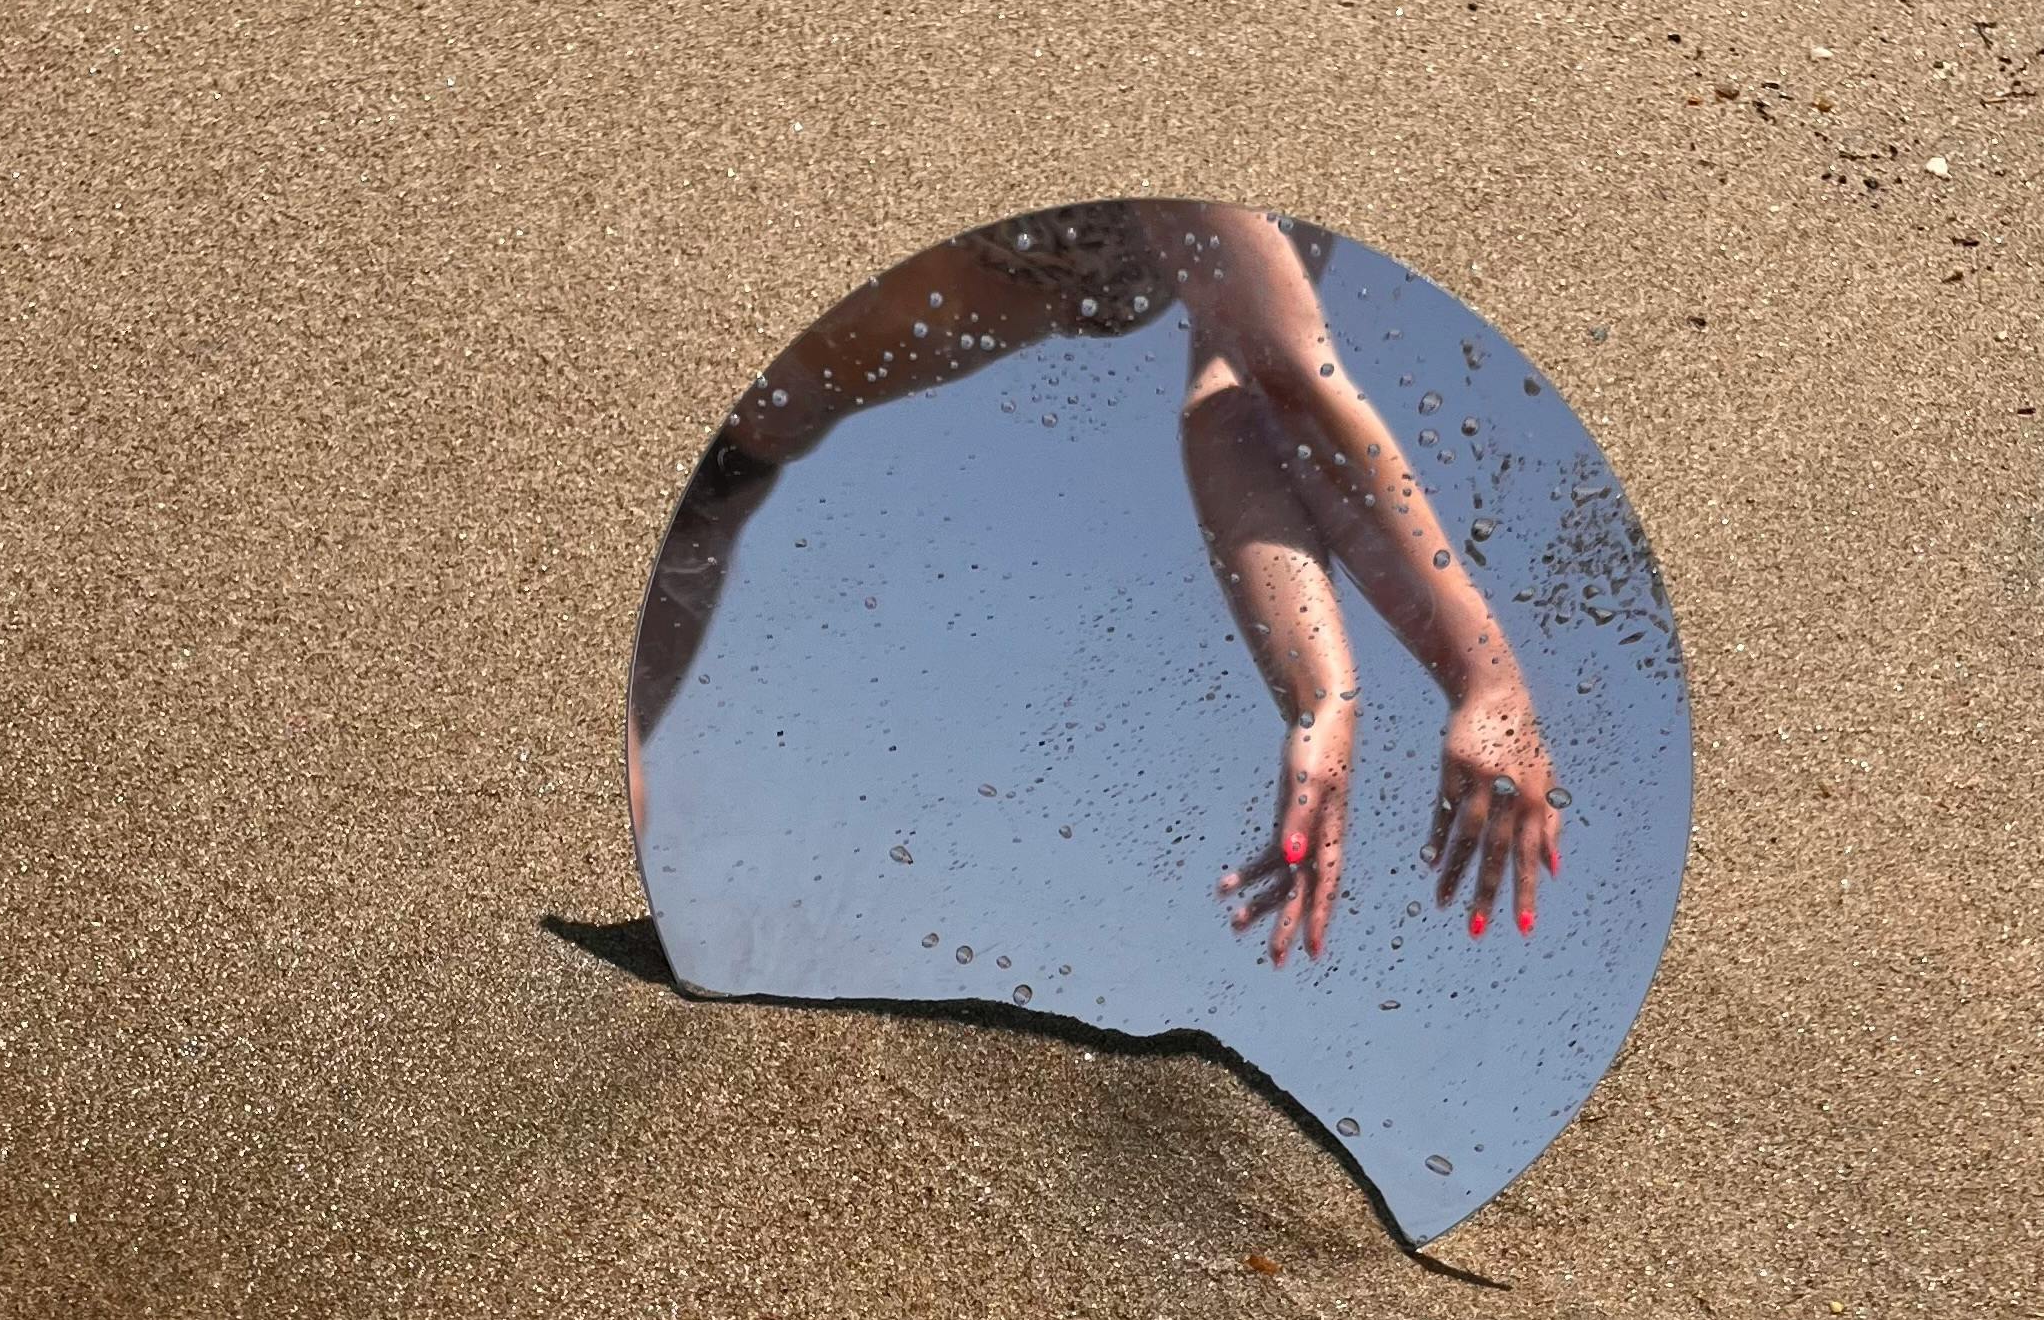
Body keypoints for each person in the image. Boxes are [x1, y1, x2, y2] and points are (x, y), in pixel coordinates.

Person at [627, 201, 1562, 959]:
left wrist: (1324, 698)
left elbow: (1233, 405)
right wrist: (1484, 675)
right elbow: (1292, 373)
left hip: (719, 483)